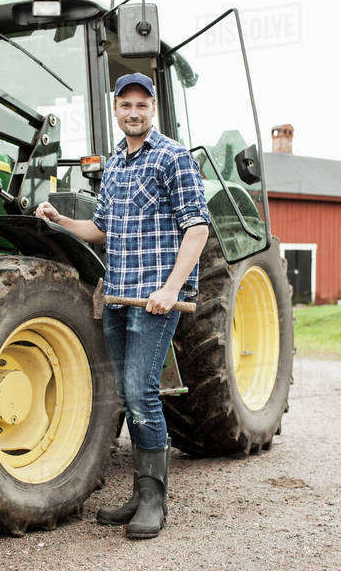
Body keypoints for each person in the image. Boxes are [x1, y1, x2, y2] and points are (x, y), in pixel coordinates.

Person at [35, 72, 210, 539]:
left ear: (152, 110)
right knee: (127, 396)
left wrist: (172, 290)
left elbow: (197, 227)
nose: (134, 112)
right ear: (116, 110)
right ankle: (137, 493)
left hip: (154, 300)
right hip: (118, 295)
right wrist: (59, 221)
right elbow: (102, 230)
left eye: (142, 105)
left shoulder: (173, 157)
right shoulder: (114, 165)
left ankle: (155, 501)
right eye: (125, 105)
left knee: (142, 392)